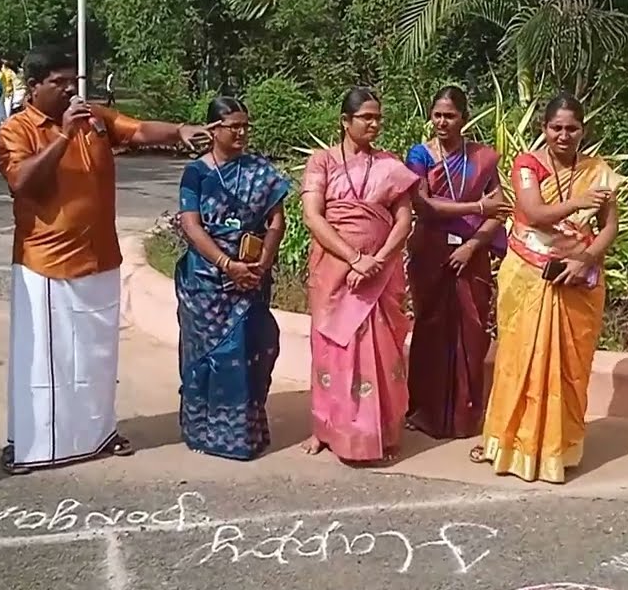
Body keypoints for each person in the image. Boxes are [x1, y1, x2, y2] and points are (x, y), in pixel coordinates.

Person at [0, 45, 211, 474]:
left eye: (72, 81)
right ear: (33, 87)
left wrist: (179, 130)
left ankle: (98, 433)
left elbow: (137, 130)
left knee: (97, 357)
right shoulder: (16, 130)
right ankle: (38, 447)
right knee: (49, 363)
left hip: (100, 257)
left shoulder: (93, 117)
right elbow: (22, 182)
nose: (69, 90)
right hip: (47, 264)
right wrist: (62, 136)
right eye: (58, 82)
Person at [469, 93, 622, 484]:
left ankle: (558, 449)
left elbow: (609, 226)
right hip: (528, 275)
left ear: (583, 130)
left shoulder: (598, 171)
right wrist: (579, 202)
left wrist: (586, 259)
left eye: (572, 128)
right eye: (556, 128)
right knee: (519, 360)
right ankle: (508, 444)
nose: (564, 135)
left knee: (569, 368)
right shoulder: (527, 165)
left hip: (577, 277)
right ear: (544, 128)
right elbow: (534, 213)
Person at [299, 87, 418, 463]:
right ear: (345, 121)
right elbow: (312, 216)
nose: (374, 124)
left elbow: (403, 220)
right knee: (332, 350)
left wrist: (376, 261)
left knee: (380, 351)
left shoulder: (390, 164)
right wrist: (353, 258)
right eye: (366, 117)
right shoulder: (322, 162)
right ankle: (326, 429)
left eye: (378, 117)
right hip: (334, 272)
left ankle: (381, 432)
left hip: (380, 273)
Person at [176, 96, 291, 460]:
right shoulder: (197, 173)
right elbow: (191, 225)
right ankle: (205, 433)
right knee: (208, 357)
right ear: (214, 130)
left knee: (253, 349)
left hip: (252, 278)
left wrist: (262, 264)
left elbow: (276, 221)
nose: (241, 133)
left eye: (245, 126)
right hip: (206, 283)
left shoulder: (260, 171)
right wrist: (227, 264)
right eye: (233, 127)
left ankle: (246, 435)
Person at [404, 86, 511, 439]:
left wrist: (473, 246)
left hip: (472, 254)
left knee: (472, 331)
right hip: (430, 252)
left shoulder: (482, 157)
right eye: (437, 115)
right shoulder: (420, 155)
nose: (442, 122)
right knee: (430, 329)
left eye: (449, 116)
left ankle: (465, 416)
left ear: (464, 118)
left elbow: (500, 209)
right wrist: (477, 207)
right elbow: (423, 204)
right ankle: (426, 413)